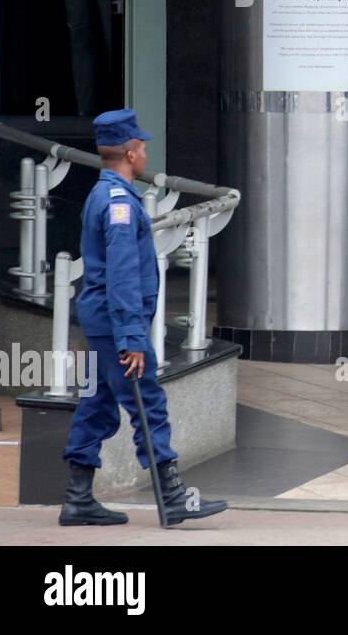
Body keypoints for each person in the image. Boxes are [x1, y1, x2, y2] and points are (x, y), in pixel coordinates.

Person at [59, 109, 228, 526]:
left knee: (97, 405)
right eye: (143, 145)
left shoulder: (103, 195)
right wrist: (131, 339)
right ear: (131, 153)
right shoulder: (119, 204)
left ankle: (77, 499)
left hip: (101, 325)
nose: (146, 150)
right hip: (115, 329)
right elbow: (121, 276)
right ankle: (171, 498)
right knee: (147, 404)